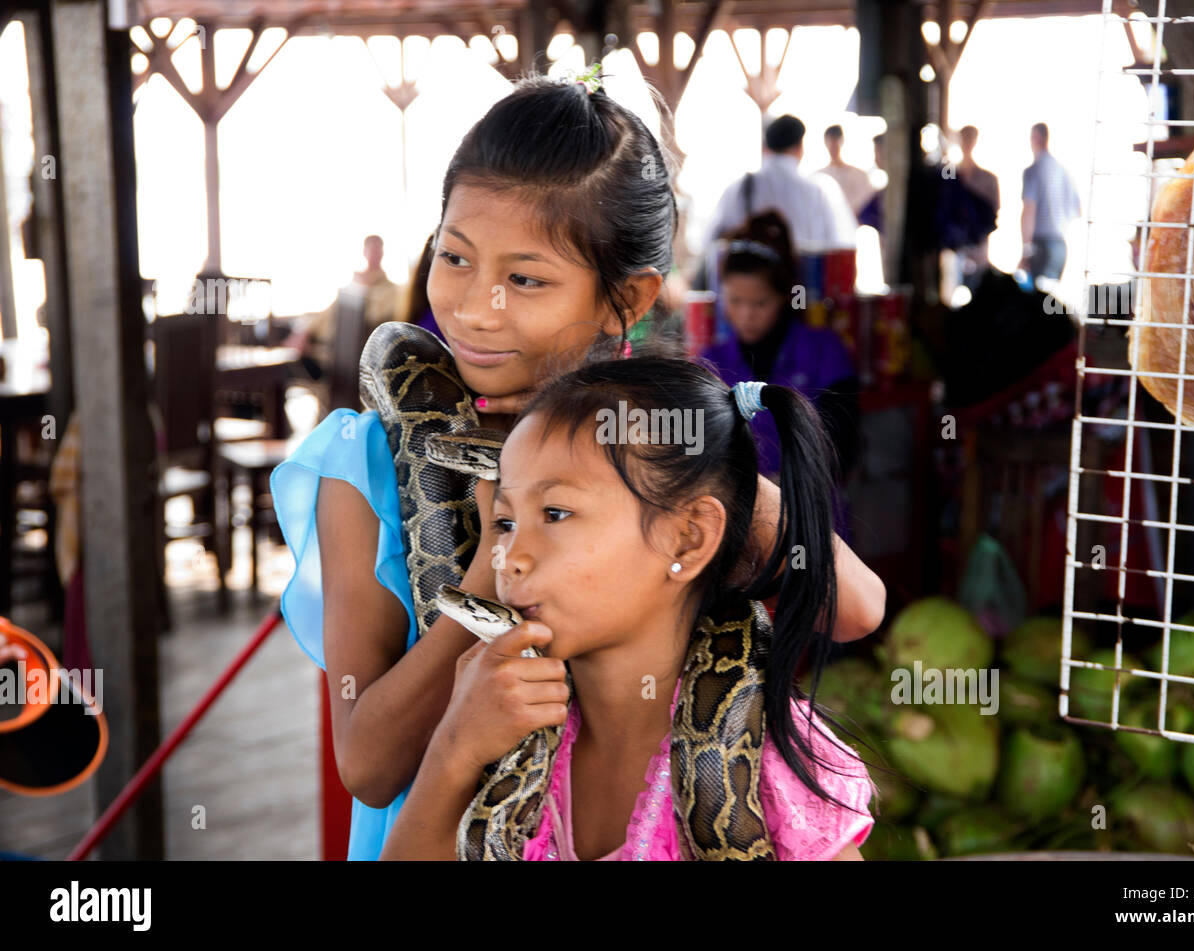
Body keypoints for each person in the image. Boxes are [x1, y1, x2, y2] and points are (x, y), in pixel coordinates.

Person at [269, 70, 887, 861]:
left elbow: (856, 604)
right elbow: (370, 763)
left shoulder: (644, 444)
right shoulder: (363, 458)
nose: (473, 306)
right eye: (455, 258)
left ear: (627, 298)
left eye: (525, 278)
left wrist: (681, 469)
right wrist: (500, 569)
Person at [382, 356, 876, 860]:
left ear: (688, 540)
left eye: (555, 513)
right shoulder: (499, 726)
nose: (508, 558)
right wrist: (454, 748)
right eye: (505, 522)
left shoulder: (775, 766)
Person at [699, 211, 859, 538]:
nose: (745, 315)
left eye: (759, 303)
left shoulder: (824, 351)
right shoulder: (709, 363)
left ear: (785, 296)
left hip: (813, 523)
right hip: (736, 530)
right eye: (735, 301)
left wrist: (781, 485)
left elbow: (842, 443)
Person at [705, 114, 859, 255]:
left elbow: (711, 241)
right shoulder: (818, 191)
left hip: (749, 282)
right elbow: (840, 244)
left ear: (768, 147)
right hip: (802, 284)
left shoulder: (740, 187)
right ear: (800, 147)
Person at [285, 234, 403, 379]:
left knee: (288, 367)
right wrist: (304, 331)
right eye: (370, 250)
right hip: (321, 348)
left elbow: (373, 321)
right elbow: (326, 313)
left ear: (382, 253)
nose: (373, 255)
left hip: (344, 359)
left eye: (377, 250)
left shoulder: (392, 292)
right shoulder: (353, 287)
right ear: (364, 252)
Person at [1019, 122, 1080, 285]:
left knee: (1035, 303)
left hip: (1040, 245)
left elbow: (1029, 211)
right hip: (1059, 245)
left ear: (1036, 138)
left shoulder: (1033, 171)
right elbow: (1077, 210)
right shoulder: (1063, 171)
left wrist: (1026, 251)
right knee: (1049, 301)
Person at [953, 124, 1000, 288]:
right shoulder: (949, 177)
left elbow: (993, 215)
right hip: (953, 252)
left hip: (978, 252)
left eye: (970, 139)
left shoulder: (987, 179)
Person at [819, 124, 874, 219]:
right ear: (825, 143)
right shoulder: (820, 176)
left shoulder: (859, 175)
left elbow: (866, 203)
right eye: (830, 141)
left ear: (841, 141)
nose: (833, 146)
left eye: (835, 141)